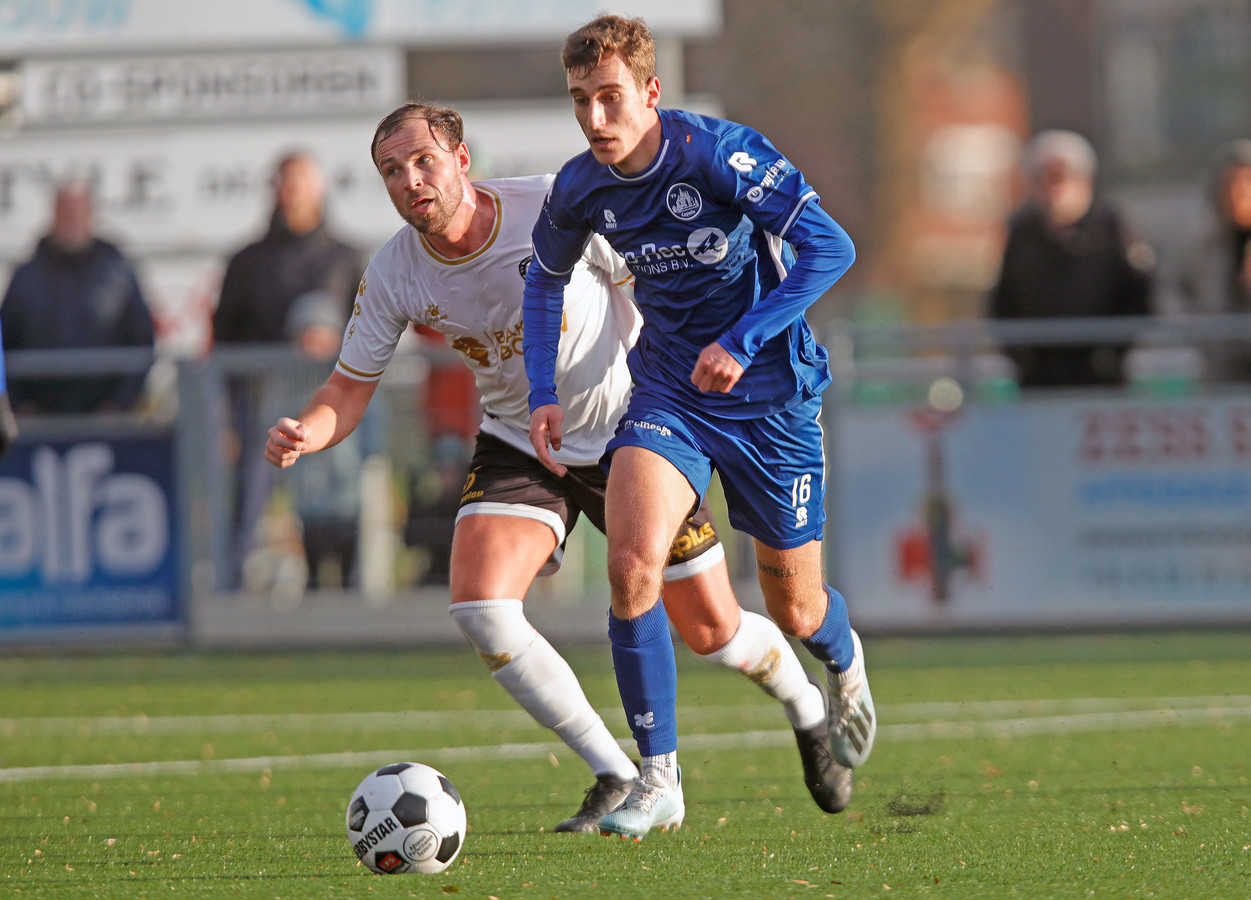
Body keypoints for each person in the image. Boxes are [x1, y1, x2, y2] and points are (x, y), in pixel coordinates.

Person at [265, 102, 851, 834]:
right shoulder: (392, 272)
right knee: (481, 608)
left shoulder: (553, 206)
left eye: (423, 161)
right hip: (521, 440)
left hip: (629, 433)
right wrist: (308, 431)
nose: (409, 180)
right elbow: (348, 389)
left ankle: (804, 704)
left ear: (461, 160)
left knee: (713, 632)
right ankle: (614, 771)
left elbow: (655, 289)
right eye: (391, 170)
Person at [523, 15, 875, 840]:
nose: (595, 118)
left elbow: (831, 247)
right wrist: (542, 388)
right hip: (668, 394)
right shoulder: (580, 186)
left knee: (796, 610)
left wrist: (741, 340)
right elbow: (543, 279)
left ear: (650, 92)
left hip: (772, 398)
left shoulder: (717, 154)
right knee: (629, 566)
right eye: (580, 100)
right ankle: (659, 779)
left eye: (610, 97)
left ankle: (844, 660)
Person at [214, 152, 367, 589]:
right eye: (284, 182)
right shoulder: (246, 262)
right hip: (259, 405)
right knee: (249, 502)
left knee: (333, 504)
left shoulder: (346, 258)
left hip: (329, 405)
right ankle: (234, 593)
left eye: (299, 181)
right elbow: (224, 339)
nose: (291, 192)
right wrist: (228, 416)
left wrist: (330, 345)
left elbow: (374, 333)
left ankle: (341, 593)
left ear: (319, 188)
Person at [989, 130, 1153, 388]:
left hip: (1100, 376)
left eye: (1060, 177)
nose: (1053, 188)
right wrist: (1022, 357)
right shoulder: (1021, 232)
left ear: (1085, 180)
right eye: (1043, 178)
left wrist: (1112, 353)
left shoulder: (1112, 227)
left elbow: (1139, 294)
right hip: (1039, 376)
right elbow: (1003, 300)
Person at [1, 181, 155, 414]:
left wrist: (121, 403)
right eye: (66, 214)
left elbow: (142, 339)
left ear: (91, 215)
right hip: (39, 418)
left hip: (105, 416)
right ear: (54, 215)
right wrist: (19, 403)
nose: (72, 222)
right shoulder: (27, 275)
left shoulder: (117, 274)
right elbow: (5, 338)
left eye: (78, 213)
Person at [1160, 139, 1251, 382]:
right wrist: (1196, 325)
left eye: (1247, 182)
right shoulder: (1199, 244)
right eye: (1230, 182)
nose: (1238, 192)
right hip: (1217, 368)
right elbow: (1170, 293)